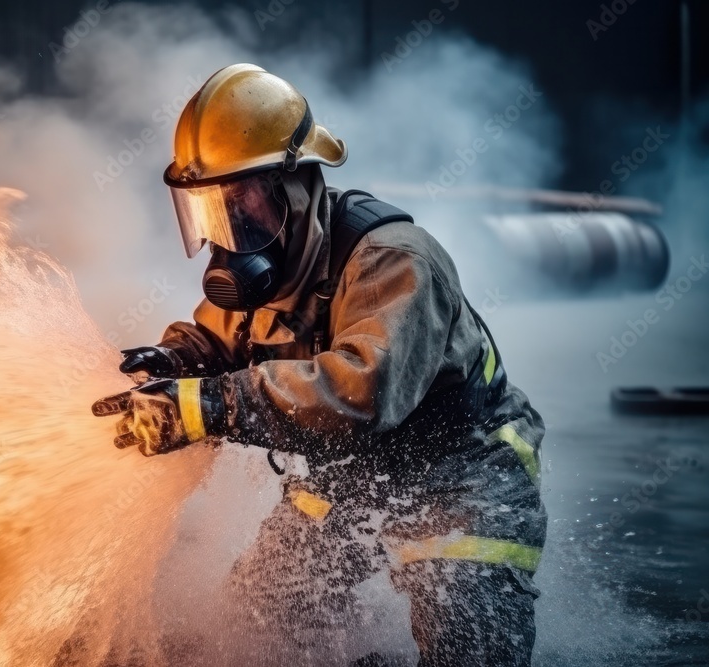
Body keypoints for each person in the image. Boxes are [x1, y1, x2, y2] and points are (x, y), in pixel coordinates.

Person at [92, 64, 546, 667]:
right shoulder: (280, 270)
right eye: (210, 214)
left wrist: (216, 404)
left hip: (460, 471)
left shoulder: (394, 262)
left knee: (466, 648)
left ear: (298, 189)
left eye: (240, 208)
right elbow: (223, 338)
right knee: (254, 623)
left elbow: (363, 391)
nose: (228, 240)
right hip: (353, 474)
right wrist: (177, 360)